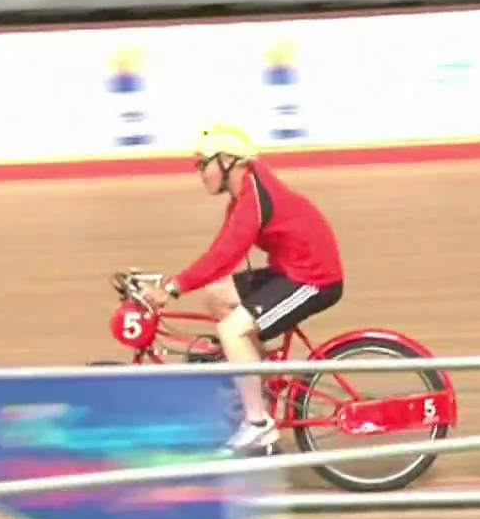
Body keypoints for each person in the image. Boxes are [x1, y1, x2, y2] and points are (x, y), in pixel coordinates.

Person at [140, 124, 345, 452]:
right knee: (217, 295)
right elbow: (221, 252)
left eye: (202, 164)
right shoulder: (244, 194)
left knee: (233, 330)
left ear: (227, 161)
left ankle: (257, 425)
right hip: (290, 270)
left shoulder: (253, 200)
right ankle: (256, 389)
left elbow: (226, 255)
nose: (200, 173)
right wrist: (175, 282)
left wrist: (174, 287)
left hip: (313, 279)